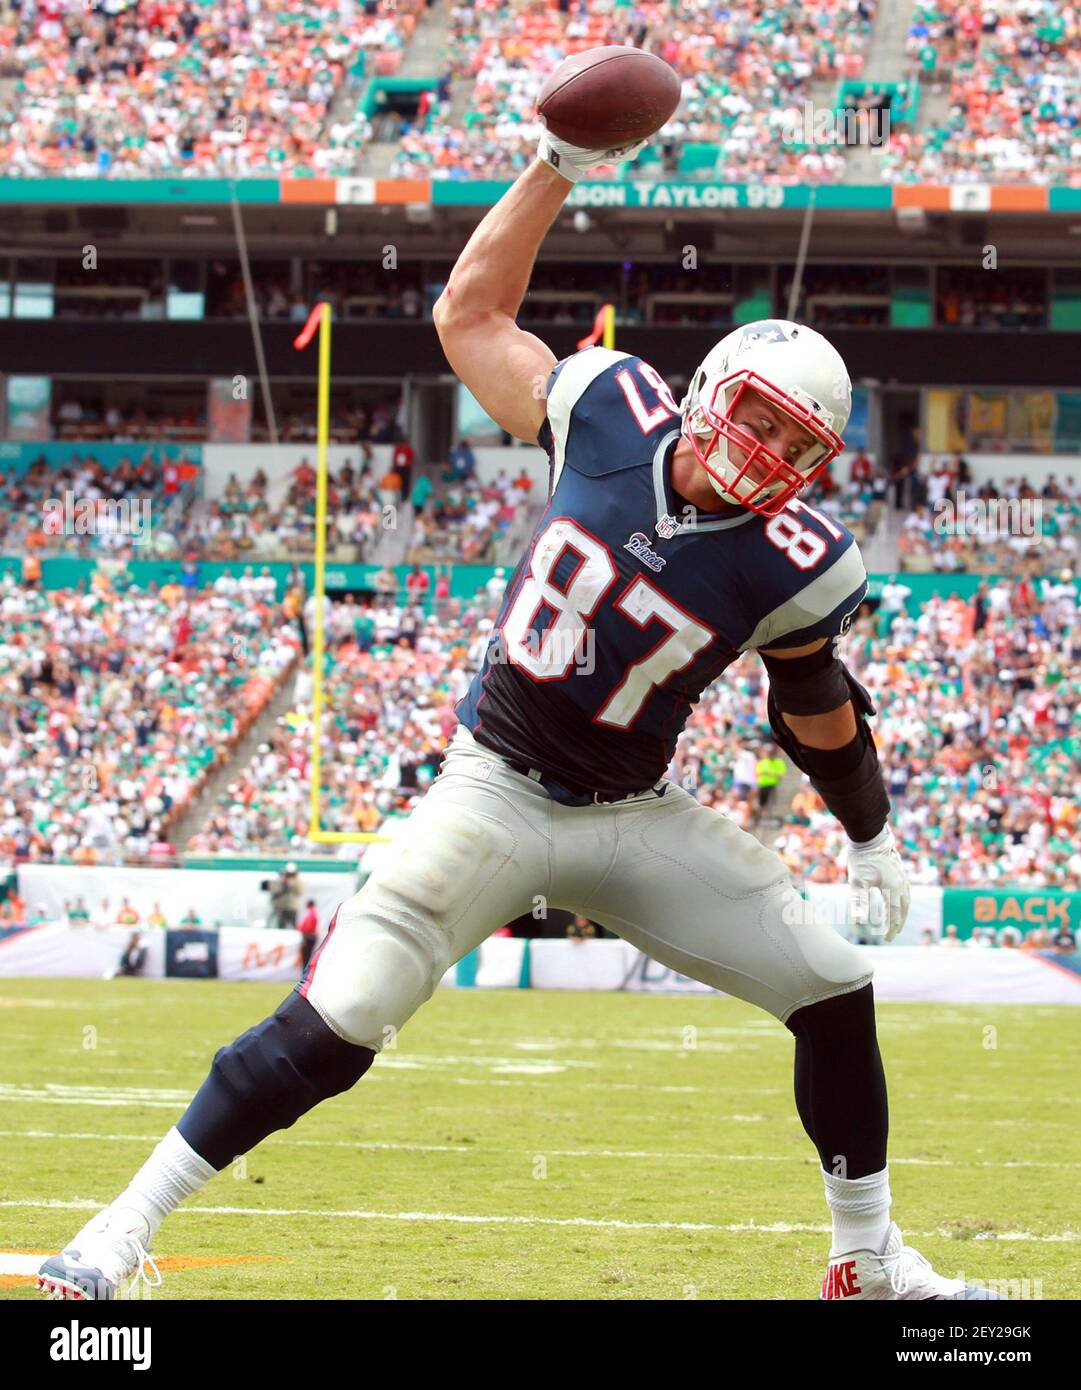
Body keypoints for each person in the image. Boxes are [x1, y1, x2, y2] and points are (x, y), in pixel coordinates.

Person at [38, 139, 999, 1305]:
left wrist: (871, 832)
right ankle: (120, 1230)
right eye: (757, 417)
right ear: (706, 388)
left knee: (831, 985)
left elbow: (812, 708)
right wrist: (555, 162)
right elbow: (470, 311)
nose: (765, 454)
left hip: (633, 814)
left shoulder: (799, 562)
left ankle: (868, 1259)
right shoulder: (604, 407)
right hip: (492, 785)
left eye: (797, 447)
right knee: (341, 1017)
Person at [297, 900, 320, 975]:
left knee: (306, 956)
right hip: (311, 936)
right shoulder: (315, 912)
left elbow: (307, 925)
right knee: (308, 956)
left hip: (308, 936)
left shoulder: (310, 913)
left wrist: (303, 931)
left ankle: (305, 974)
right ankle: (306, 973)